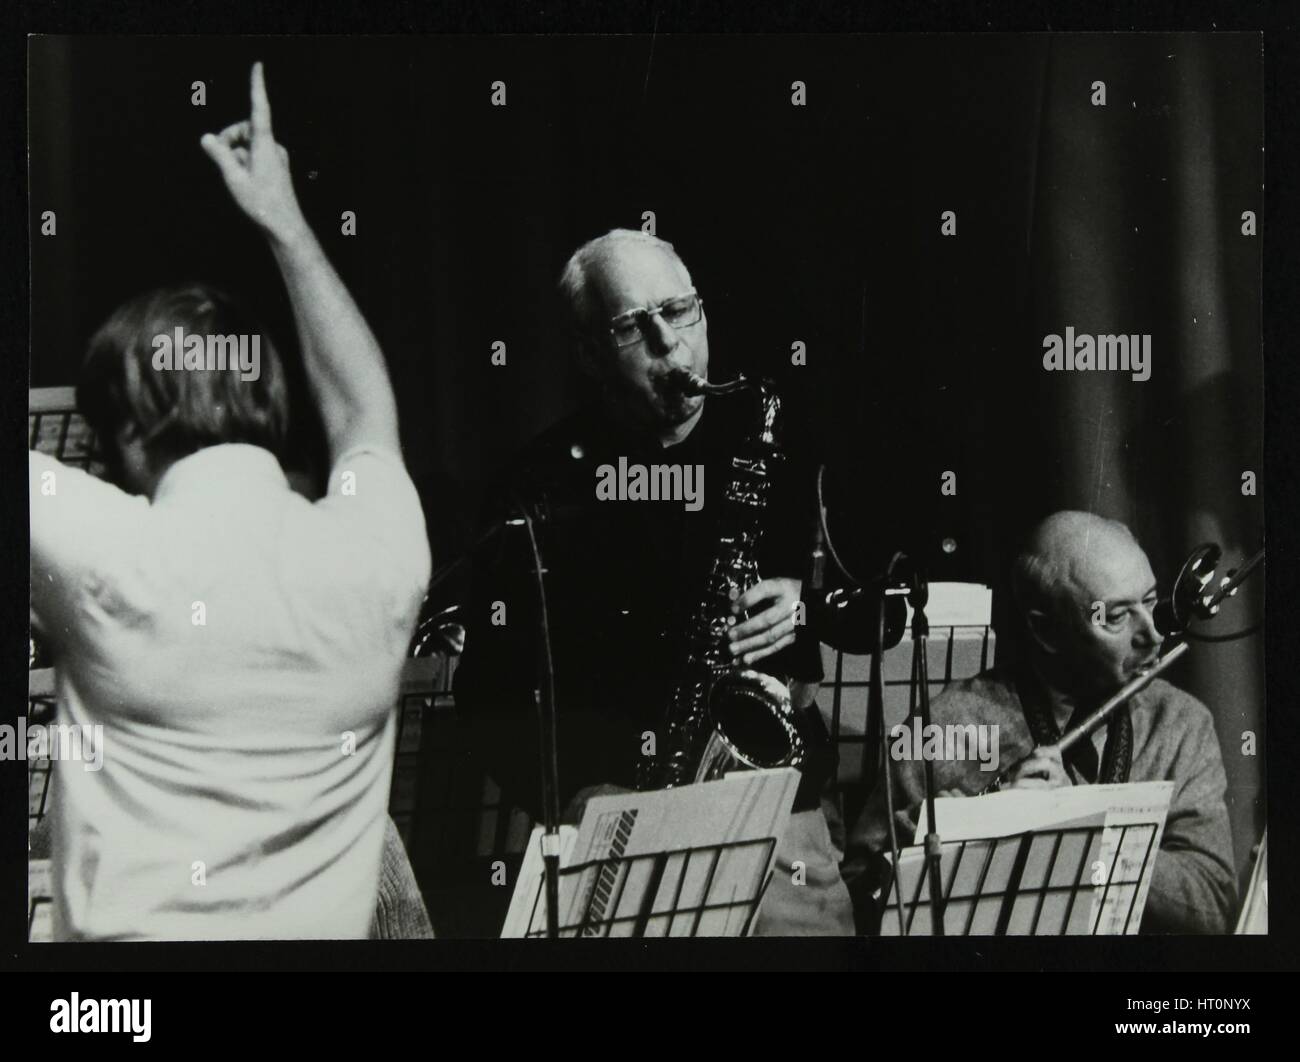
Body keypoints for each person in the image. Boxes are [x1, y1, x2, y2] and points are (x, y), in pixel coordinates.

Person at [28, 63, 431, 939]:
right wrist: (285, 222)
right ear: (271, 405)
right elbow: (366, 411)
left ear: (128, 435)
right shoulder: (376, 556)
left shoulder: (103, 552)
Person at [453, 228, 853, 935]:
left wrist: (807, 610)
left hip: (779, 826)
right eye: (635, 326)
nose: (672, 344)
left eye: (681, 310)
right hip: (625, 830)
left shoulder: (772, 438)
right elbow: (485, 695)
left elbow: (883, 606)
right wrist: (572, 794)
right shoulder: (536, 488)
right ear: (587, 352)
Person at [847, 511, 1236, 934]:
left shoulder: (1182, 723)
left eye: (1149, 601)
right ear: (1045, 630)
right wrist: (973, 825)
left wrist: (1083, 824)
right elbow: (858, 893)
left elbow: (1212, 906)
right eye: (1116, 617)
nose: (1154, 635)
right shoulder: (943, 726)